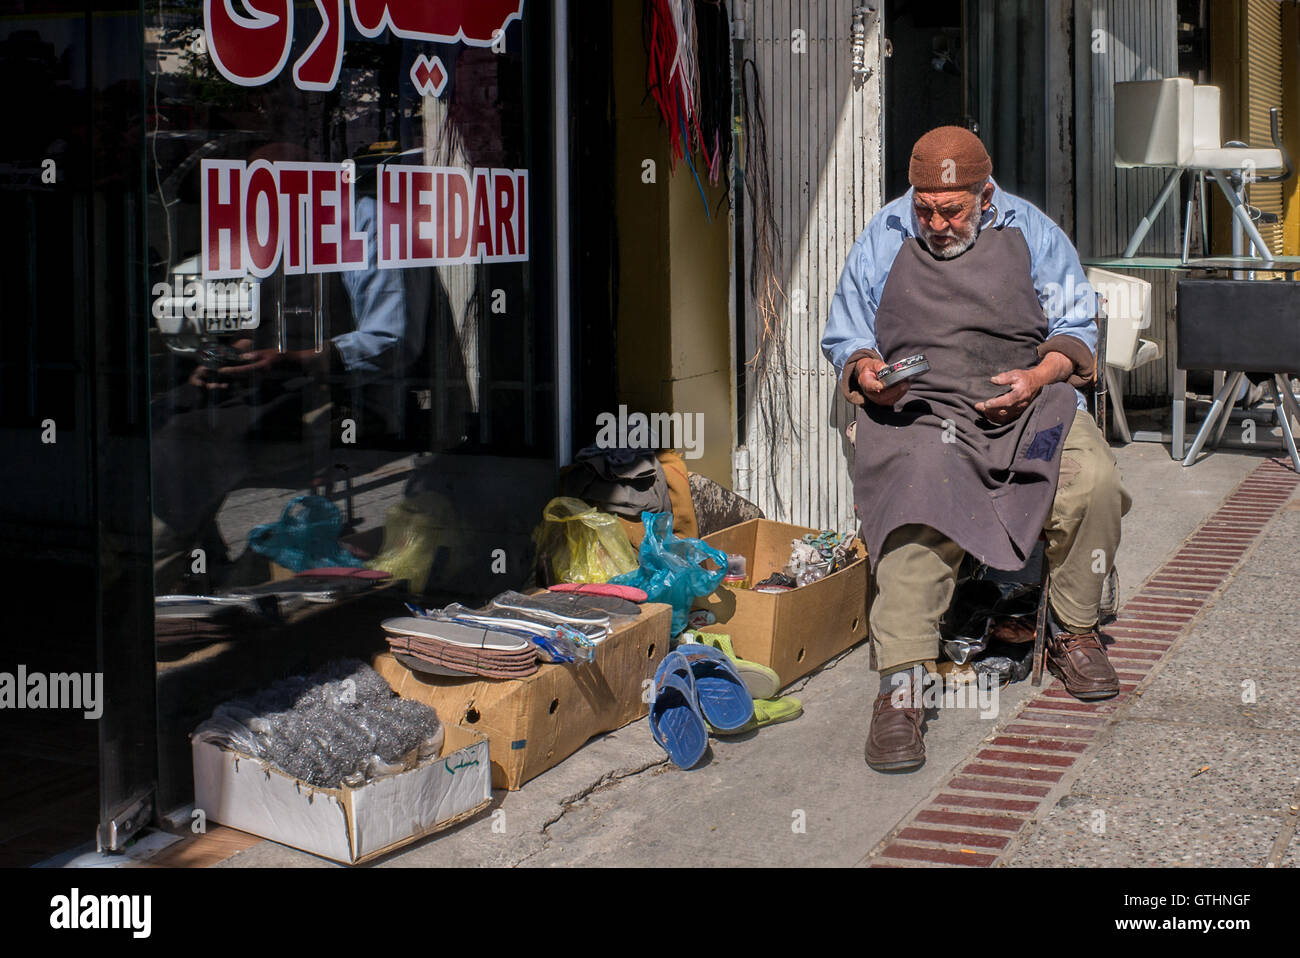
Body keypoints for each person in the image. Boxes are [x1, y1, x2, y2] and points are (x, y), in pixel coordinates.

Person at [821, 126, 1132, 773]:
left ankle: (1072, 632)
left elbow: (1077, 330)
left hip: (1028, 405)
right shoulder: (885, 234)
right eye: (925, 208)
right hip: (924, 408)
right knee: (920, 496)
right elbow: (844, 333)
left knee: (1091, 478)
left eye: (951, 209)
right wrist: (865, 369)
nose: (935, 222)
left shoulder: (1036, 233)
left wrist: (1038, 378)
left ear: (985, 195)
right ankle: (902, 683)